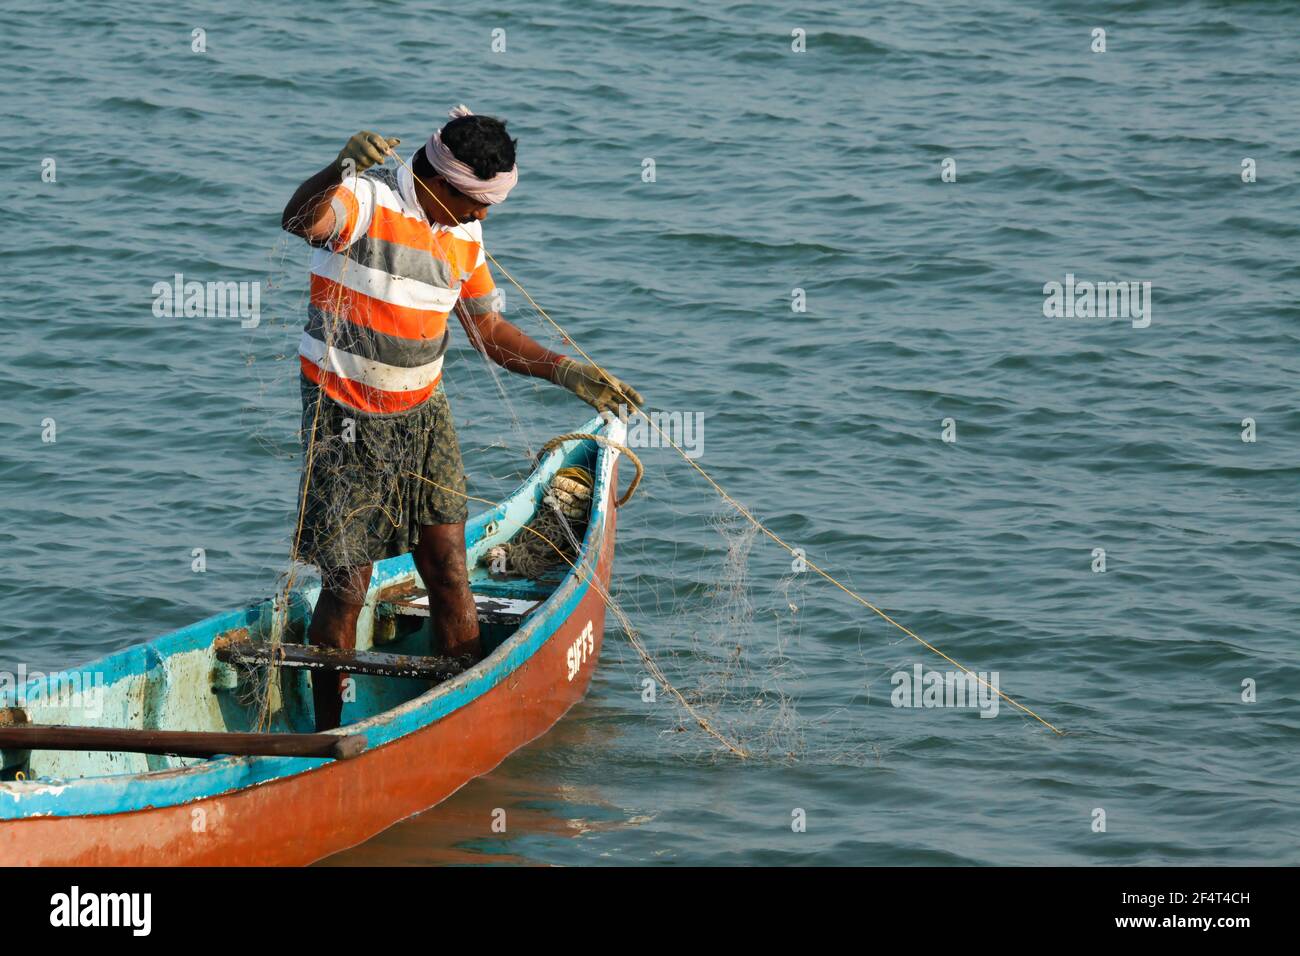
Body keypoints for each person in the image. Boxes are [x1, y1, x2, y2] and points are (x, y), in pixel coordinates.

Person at [280, 105, 643, 731]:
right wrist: (338, 167)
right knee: (346, 584)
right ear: (439, 183)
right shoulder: (364, 201)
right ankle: (328, 733)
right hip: (342, 414)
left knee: (448, 566)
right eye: (476, 203)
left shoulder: (465, 234)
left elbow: (488, 330)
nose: (482, 216)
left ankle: (460, 709)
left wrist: (567, 371)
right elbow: (299, 219)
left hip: (424, 410)